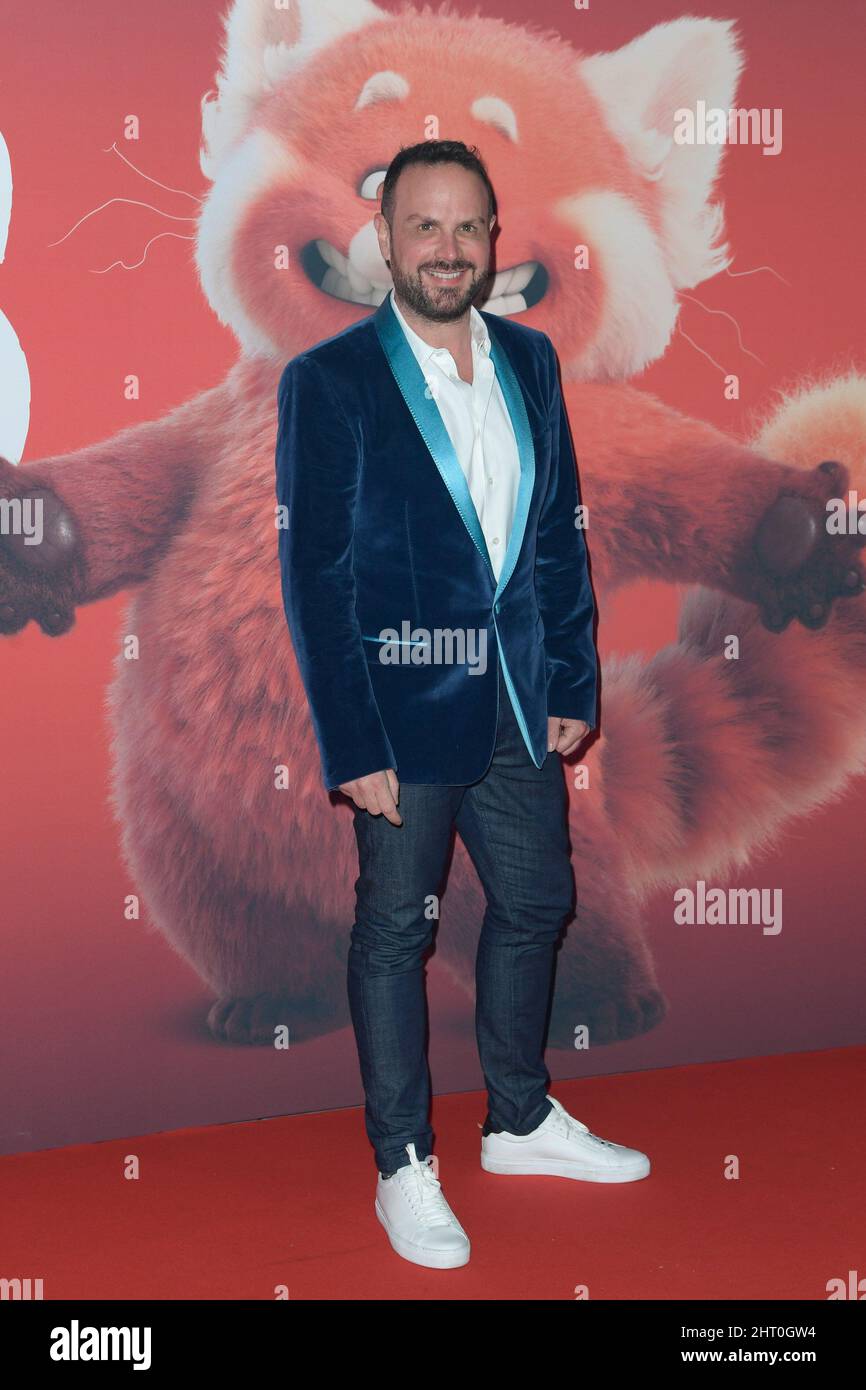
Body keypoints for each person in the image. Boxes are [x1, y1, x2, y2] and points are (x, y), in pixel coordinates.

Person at [275, 139, 649, 1271]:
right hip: (398, 712)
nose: (446, 249)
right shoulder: (330, 382)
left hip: (518, 703)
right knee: (396, 929)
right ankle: (402, 1162)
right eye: (423, 227)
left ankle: (520, 1118)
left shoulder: (531, 362)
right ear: (383, 241)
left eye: (466, 228)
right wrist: (352, 736)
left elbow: (552, 535)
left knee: (537, 902)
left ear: (494, 241)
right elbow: (317, 575)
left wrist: (572, 680)